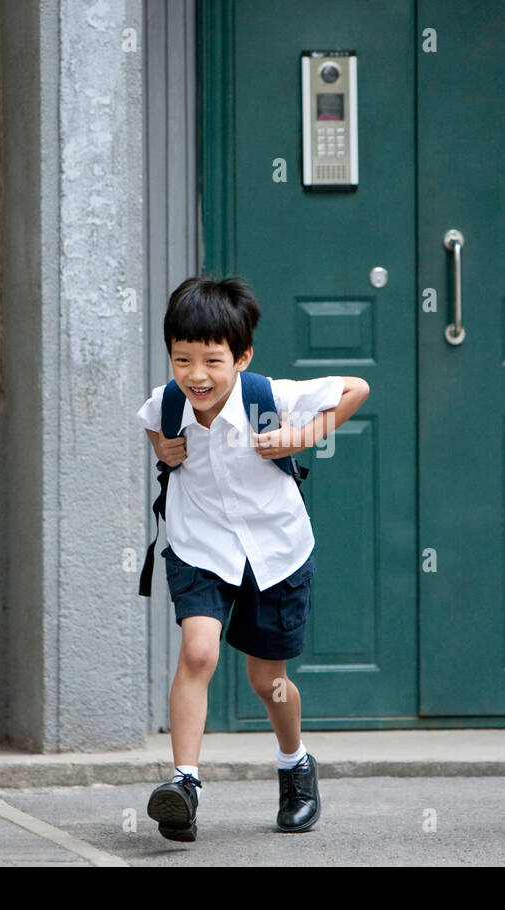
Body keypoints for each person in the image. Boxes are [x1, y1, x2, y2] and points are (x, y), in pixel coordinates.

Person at [135, 275, 370, 841]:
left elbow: (355, 388)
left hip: (276, 550)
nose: (196, 376)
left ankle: (295, 765)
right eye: (182, 359)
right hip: (200, 547)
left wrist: (302, 436)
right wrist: (163, 448)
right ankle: (184, 786)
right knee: (198, 651)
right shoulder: (168, 403)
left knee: (269, 681)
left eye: (213, 361)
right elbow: (150, 425)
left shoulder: (271, 398)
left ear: (241, 357)